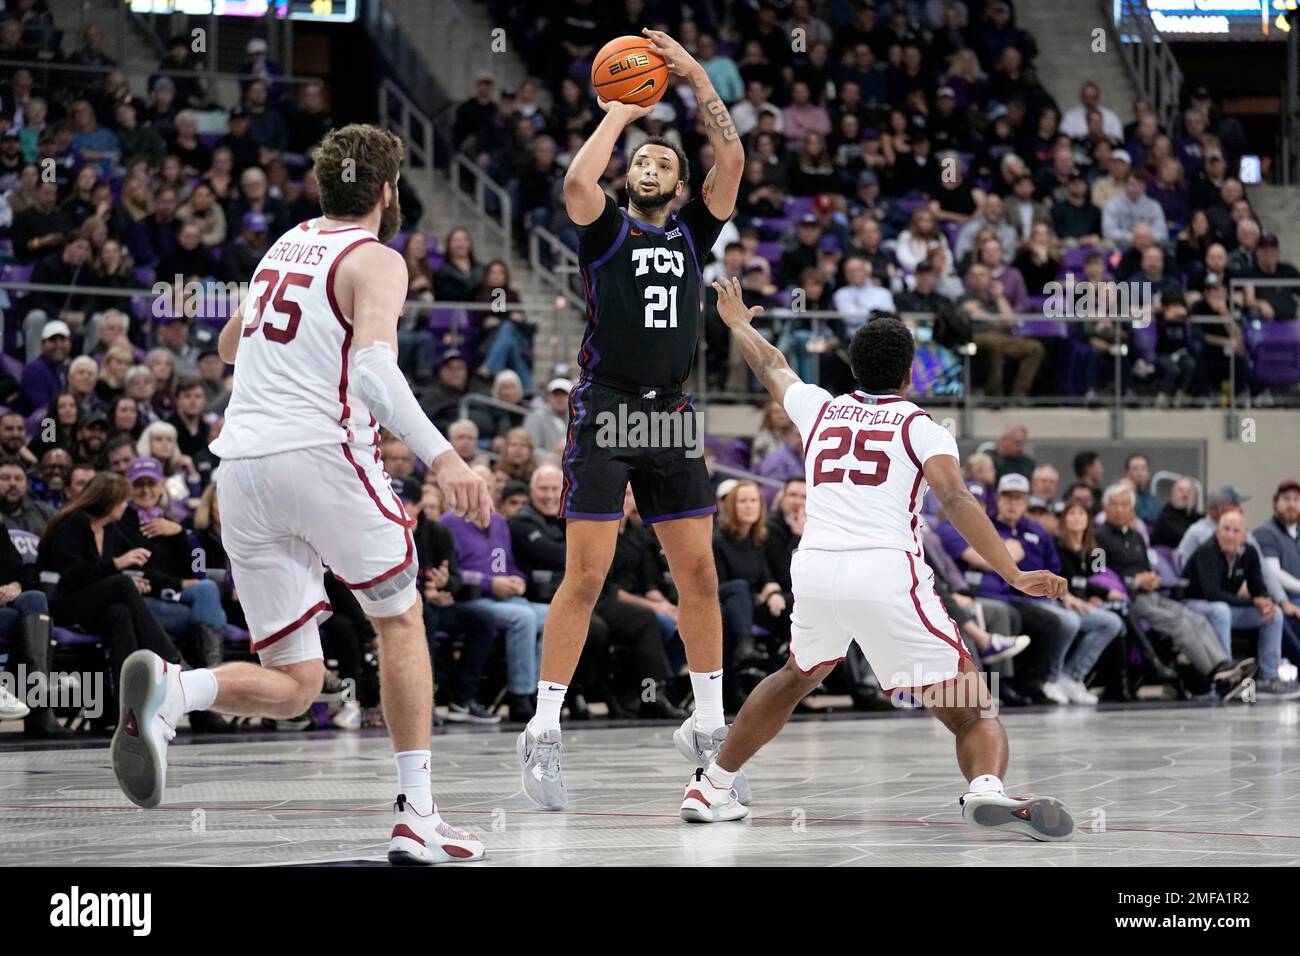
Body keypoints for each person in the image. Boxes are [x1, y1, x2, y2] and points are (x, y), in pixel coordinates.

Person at [106, 124, 491, 865]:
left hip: (241, 471)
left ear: (323, 188)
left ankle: (173, 690)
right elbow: (375, 371)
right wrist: (445, 458)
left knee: (295, 683)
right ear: (388, 192)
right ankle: (417, 816)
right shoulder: (375, 257)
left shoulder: (285, 244)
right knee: (401, 618)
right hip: (320, 454)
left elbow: (226, 347)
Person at [682, 281, 1074, 839]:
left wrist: (737, 324)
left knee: (797, 674)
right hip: (885, 574)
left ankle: (713, 784)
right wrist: (1010, 572)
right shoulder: (922, 428)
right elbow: (957, 499)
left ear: (851, 367)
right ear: (909, 374)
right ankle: (986, 788)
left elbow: (772, 367)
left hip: (815, 570)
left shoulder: (821, 409)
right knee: (972, 707)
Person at [517, 28, 746, 811]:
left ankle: (709, 724)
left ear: (680, 189)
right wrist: (621, 110)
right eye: (642, 161)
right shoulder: (607, 224)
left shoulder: (693, 231)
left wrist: (688, 78)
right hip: (607, 405)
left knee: (701, 574)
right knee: (586, 574)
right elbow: (579, 179)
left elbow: (734, 159)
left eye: (663, 162)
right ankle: (543, 726)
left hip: (671, 412)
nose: (650, 164)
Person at [1184, 509, 1300, 699]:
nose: (1230, 535)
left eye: (1236, 530)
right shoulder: (1206, 551)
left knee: (1274, 614)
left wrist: (1264, 601)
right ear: (1217, 532)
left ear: (1244, 536)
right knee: (1221, 610)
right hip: (1194, 606)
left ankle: (1268, 677)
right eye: (1226, 529)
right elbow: (1212, 594)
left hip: (1228, 607)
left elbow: (1258, 587)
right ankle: (1228, 678)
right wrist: (1253, 601)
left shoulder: (1250, 552)